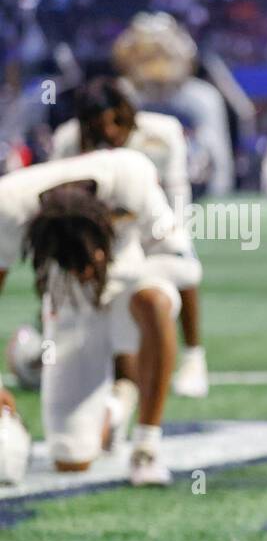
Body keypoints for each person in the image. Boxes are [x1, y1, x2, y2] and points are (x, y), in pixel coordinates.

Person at [0, 150, 182, 486]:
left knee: (153, 301)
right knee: (71, 459)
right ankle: (114, 406)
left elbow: (183, 264)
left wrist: (194, 354)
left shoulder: (132, 176)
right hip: (69, 302)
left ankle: (147, 446)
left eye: (87, 261)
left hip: (134, 279)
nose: (85, 271)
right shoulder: (8, 205)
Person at [50, 77, 208, 397]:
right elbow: (60, 205)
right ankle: (103, 367)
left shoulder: (162, 133)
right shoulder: (68, 140)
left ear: (126, 114)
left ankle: (194, 356)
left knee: (181, 257)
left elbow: (176, 196)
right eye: (98, 125)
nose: (107, 133)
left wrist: (167, 234)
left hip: (152, 219)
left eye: (113, 122)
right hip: (97, 229)